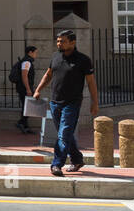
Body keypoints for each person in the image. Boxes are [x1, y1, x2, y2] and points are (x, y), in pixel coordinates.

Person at [32, 30, 99, 177]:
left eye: (62, 41)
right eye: (57, 41)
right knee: (65, 134)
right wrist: (38, 90)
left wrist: (95, 102)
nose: (58, 43)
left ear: (73, 43)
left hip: (72, 103)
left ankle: (56, 164)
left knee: (64, 133)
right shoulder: (55, 57)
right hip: (55, 102)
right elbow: (48, 75)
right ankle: (77, 159)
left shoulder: (83, 60)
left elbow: (91, 82)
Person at [13, 45, 38, 134]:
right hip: (24, 88)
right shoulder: (26, 62)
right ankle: (21, 123)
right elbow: (24, 76)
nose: (36, 54)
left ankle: (25, 125)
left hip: (25, 87)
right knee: (27, 106)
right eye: (35, 52)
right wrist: (28, 89)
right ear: (30, 52)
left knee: (28, 107)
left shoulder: (27, 61)